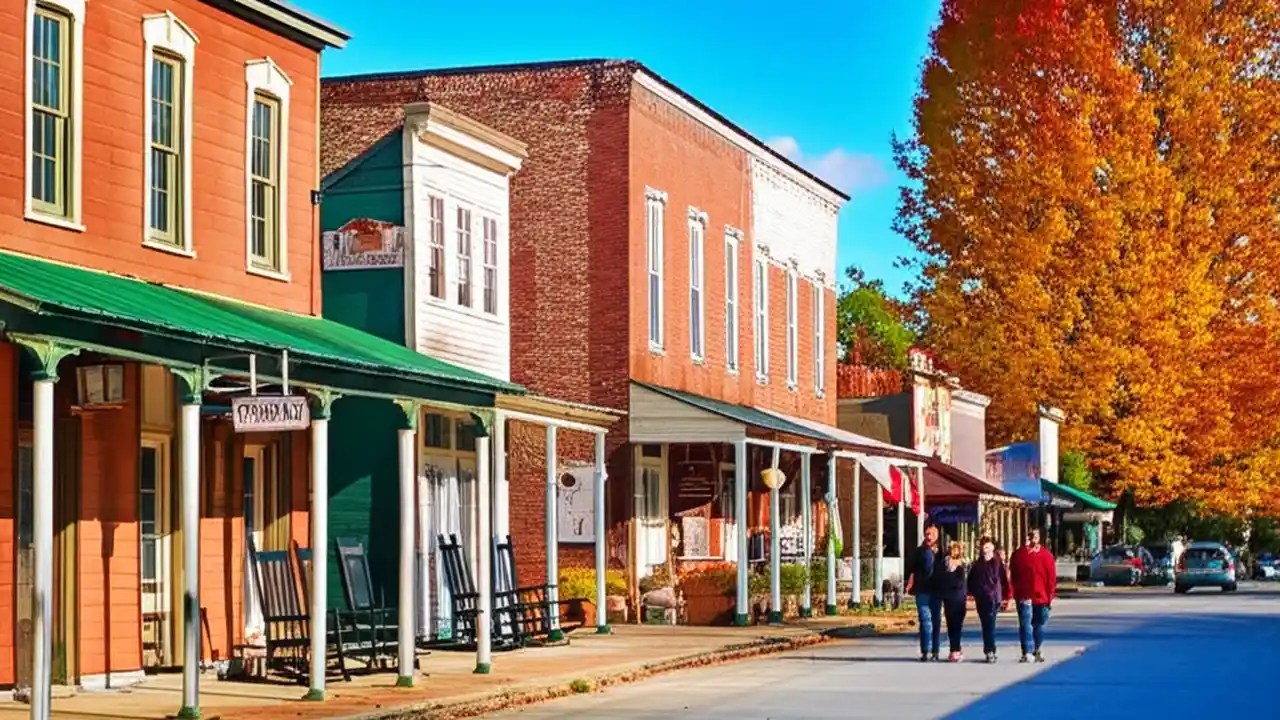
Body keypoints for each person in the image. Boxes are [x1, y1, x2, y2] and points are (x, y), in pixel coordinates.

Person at [1010, 527, 1057, 663]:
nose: (1032, 539)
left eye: (1035, 536)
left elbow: (1051, 578)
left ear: (1039, 538)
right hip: (1024, 595)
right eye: (1030, 536)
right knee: (1026, 624)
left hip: (1042, 597)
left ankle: (1037, 649)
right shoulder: (1019, 555)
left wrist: (1050, 597)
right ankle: (1027, 652)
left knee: (1039, 624)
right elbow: (1013, 575)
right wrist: (1015, 593)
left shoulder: (1046, 556)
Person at [968, 536, 1011, 663]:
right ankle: (989, 649)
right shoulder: (977, 565)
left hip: (994, 598)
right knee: (986, 625)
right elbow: (971, 581)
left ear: (992, 547)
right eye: (983, 546)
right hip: (981, 598)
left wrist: (1007, 597)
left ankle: (990, 650)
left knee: (990, 624)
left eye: (987, 545)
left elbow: (1004, 581)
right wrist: (972, 594)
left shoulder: (997, 563)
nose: (985, 548)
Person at [905, 524, 942, 662]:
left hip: (936, 590)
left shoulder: (941, 552)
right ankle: (925, 650)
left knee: (936, 621)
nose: (928, 536)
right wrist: (910, 582)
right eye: (926, 534)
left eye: (931, 534)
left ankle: (935, 651)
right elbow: (912, 569)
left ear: (936, 536)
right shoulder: (919, 551)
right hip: (922, 590)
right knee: (925, 621)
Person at [935, 540, 969, 662]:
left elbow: (958, 583)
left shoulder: (954, 566)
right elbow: (959, 583)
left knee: (954, 626)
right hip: (954, 599)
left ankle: (955, 649)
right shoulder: (955, 567)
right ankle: (955, 650)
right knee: (955, 626)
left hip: (954, 599)